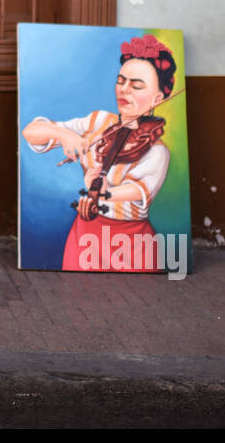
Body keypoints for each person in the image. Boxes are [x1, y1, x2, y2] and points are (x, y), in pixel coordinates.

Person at [21, 35, 175, 272]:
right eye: (121, 81)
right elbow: (30, 132)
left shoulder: (158, 150)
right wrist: (64, 135)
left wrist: (103, 192)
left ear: (157, 98)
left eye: (136, 86)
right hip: (86, 237)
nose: (124, 91)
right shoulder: (99, 122)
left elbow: (138, 191)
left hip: (131, 242)